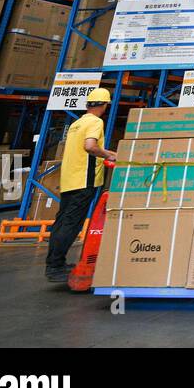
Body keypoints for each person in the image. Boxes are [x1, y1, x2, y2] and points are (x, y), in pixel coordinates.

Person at [45, 87, 117, 284]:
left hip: (69, 179)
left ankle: (54, 262)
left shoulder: (77, 123)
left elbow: (87, 147)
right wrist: (105, 155)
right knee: (71, 223)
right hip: (85, 179)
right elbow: (90, 146)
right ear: (104, 106)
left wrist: (111, 154)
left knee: (61, 222)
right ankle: (55, 266)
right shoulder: (96, 122)